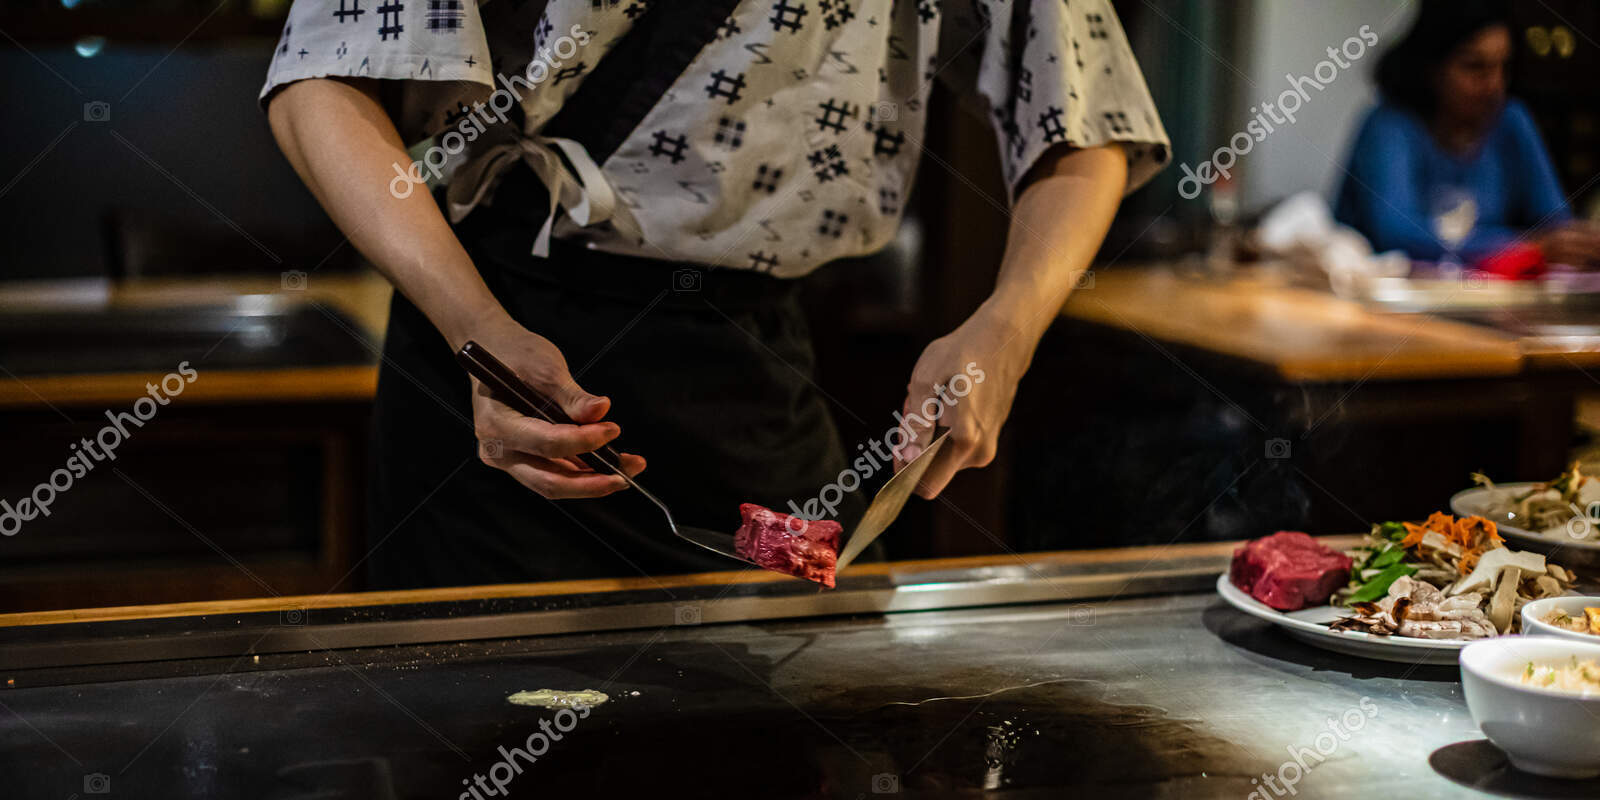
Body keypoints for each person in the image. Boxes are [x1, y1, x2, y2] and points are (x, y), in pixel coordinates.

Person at [263, 1, 1169, 588]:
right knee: (484, 798)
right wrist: (474, 327)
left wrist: (1006, 327)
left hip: (754, 365)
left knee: (794, 789)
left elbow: (1085, 120)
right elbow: (319, 81)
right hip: (494, 354)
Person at [1334, 0, 1600, 269]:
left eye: (1503, 67)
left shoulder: (1511, 119)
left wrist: (1569, 244)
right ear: (1431, 66)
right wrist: (1526, 247)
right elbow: (1395, 234)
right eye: (1475, 66)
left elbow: (1556, 224)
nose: (1494, 85)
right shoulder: (1389, 125)